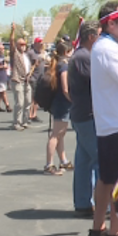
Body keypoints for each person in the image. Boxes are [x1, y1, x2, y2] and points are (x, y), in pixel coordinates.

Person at [88, 1, 118, 236]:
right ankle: (114, 232)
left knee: (106, 180)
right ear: (111, 23)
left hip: (109, 122)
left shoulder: (102, 46)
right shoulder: (110, 50)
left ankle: (98, 229)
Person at [69, 22, 100, 216]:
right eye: (99, 35)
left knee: (84, 160)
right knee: (99, 160)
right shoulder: (83, 57)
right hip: (87, 115)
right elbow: (97, 80)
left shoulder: (80, 56)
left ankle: (82, 203)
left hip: (82, 114)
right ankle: (103, 205)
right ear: (91, 37)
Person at [44, 41, 73, 176]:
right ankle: (49, 164)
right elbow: (65, 87)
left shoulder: (57, 64)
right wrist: (71, 99)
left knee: (60, 134)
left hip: (58, 102)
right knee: (56, 134)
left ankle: (63, 160)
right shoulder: (64, 66)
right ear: (67, 52)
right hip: (62, 103)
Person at [9, 32, 31, 130]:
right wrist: (13, 31)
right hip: (17, 80)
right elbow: (11, 41)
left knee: (28, 101)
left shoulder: (25, 55)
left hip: (26, 81)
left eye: (24, 44)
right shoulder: (15, 53)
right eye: (21, 44)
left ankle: (25, 121)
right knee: (20, 103)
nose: (23, 46)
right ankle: (17, 123)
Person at [26, 38, 47, 123]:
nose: (41, 45)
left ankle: (34, 114)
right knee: (33, 97)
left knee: (37, 97)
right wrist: (34, 64)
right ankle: (30, 114)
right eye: (39, 43)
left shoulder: (42, 53)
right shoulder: (31, 53)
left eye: (42, 44)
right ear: (35, 44)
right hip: (33, 77)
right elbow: (27, 64)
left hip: (40, 77)